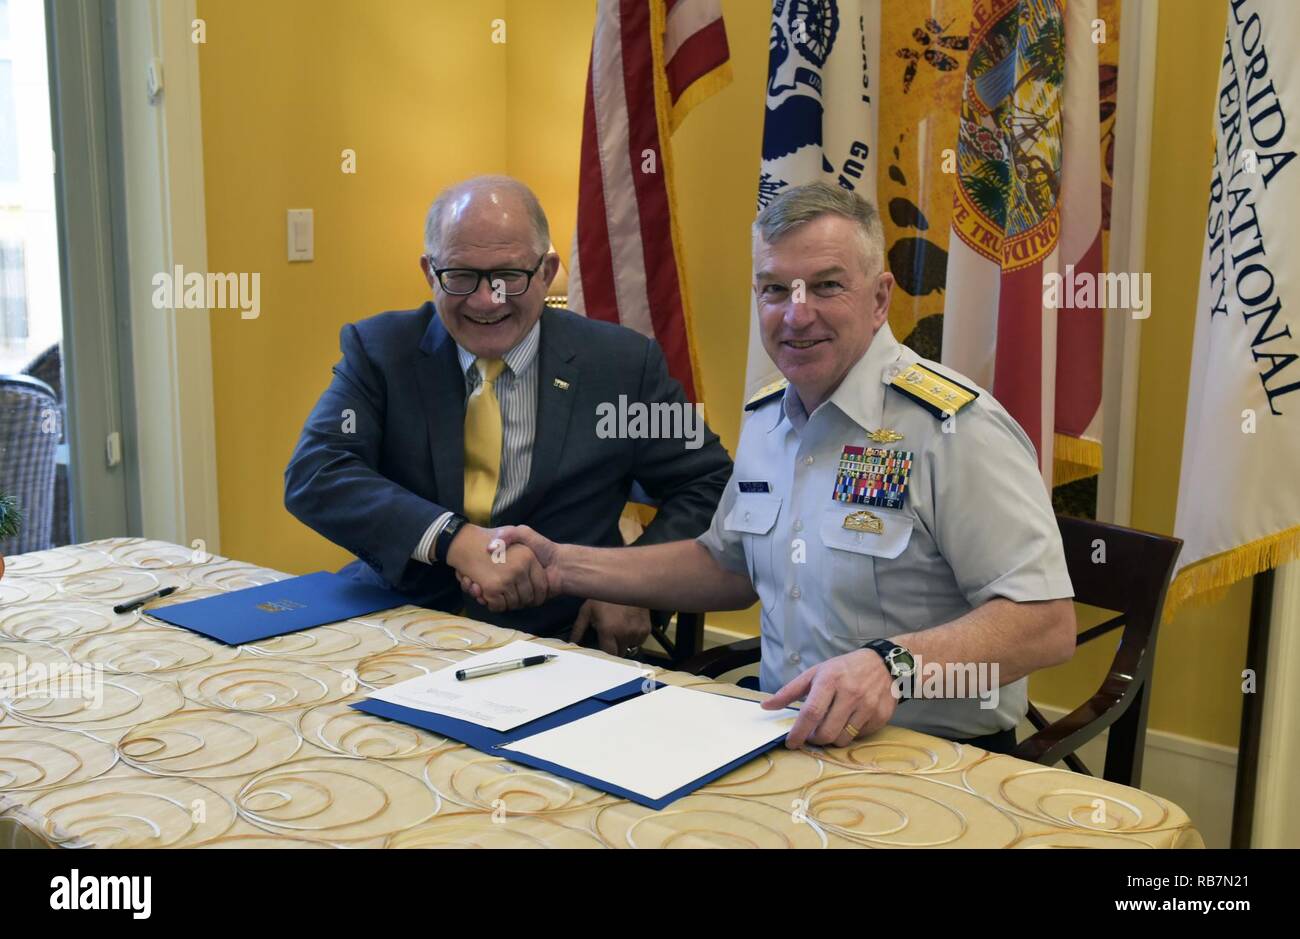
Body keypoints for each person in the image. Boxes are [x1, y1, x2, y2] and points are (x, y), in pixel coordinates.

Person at [460, 182, 1077, 753]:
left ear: (880, 297)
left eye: (827, 286)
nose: (796, 313)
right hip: (785, 738)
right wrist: (565, 565)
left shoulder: (953, 429)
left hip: (933, 757)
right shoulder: (769, 415)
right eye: (776, 289)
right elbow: (727, 566)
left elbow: (1045, 624)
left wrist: (893, 665)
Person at [284, 175, 733, 656]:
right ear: (429, 272)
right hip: (397, 621)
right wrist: (454, 540)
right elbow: (317, 472)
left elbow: (708, 483)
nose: (485, 300)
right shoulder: (381, 352)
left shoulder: (619, 367)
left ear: (546, 271)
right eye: (460, 276)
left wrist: (633, 583)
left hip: (558, 636)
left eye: (508, 277)